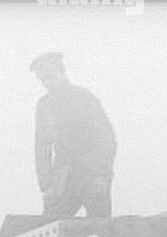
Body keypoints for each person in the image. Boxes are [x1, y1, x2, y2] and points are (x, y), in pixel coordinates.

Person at [30, 52, 116, 219]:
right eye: (42, 80)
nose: (46, 83)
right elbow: (41, 148)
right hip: (62, 179)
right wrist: (46, 185)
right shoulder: (44, 106)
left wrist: (102, 174)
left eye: (50, 77)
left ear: (62, 73)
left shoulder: (84, 98)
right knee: (48, 225)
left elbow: (107, 139)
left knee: (100, 227)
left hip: (92, 174)